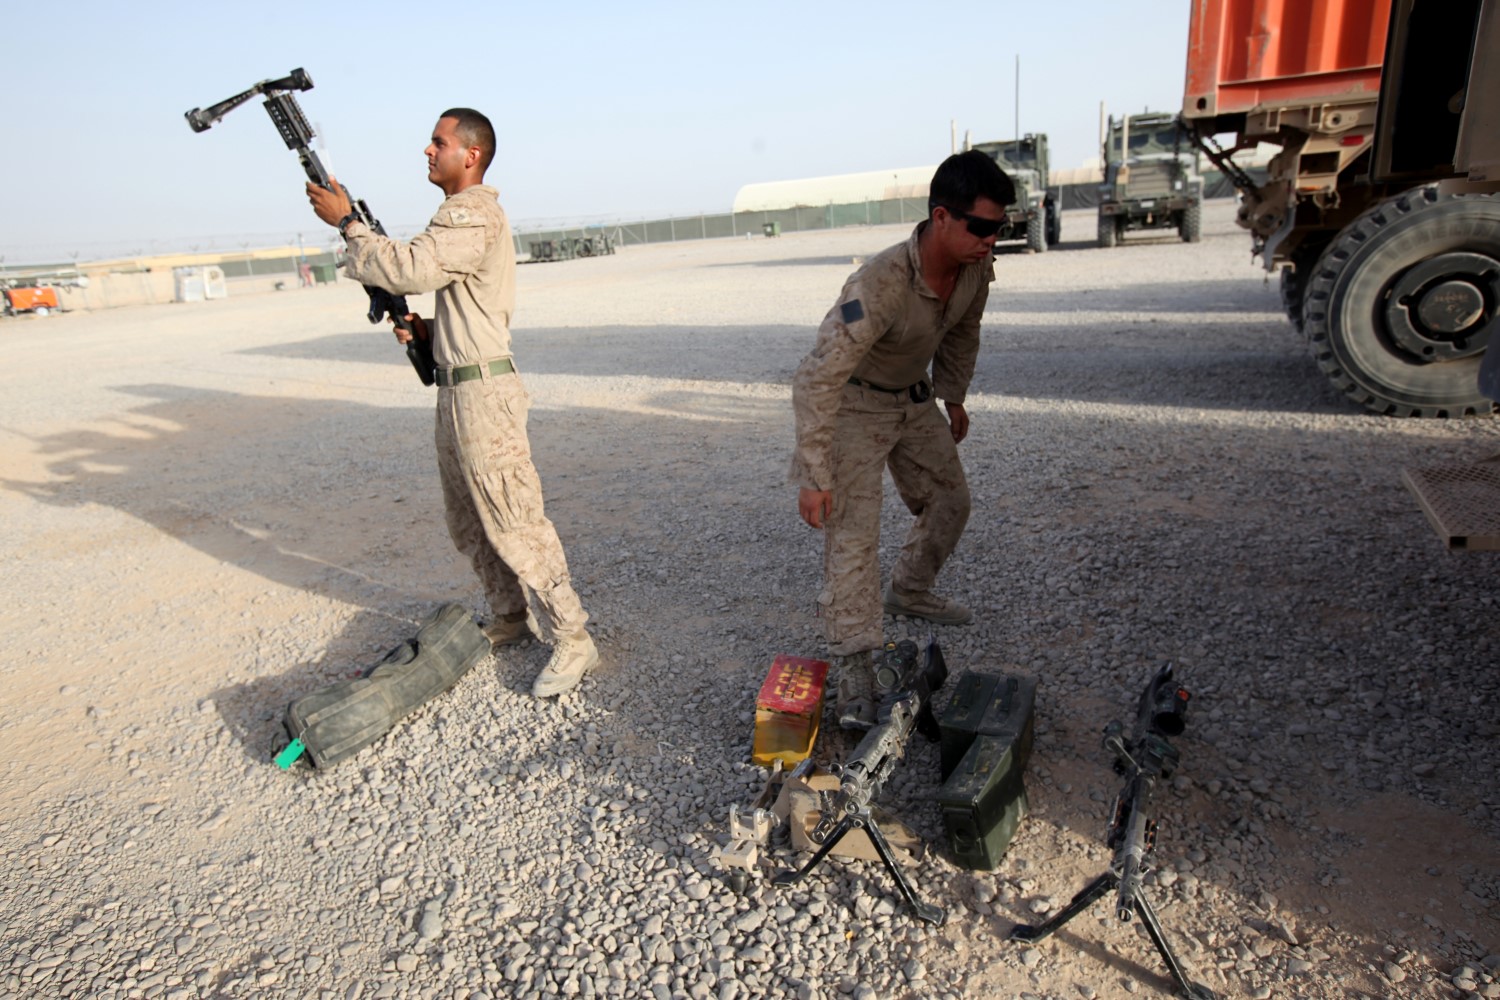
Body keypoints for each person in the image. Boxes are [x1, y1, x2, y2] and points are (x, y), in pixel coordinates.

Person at [305, 108, 598, 698]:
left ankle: (573, 637)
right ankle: (512, 616)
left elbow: (413, 267)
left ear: (471, 155)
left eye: (438, 142)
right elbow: (469, 307)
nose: (427, 150)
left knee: (514, 517)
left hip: (484, 395)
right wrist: (429, 334)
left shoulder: (471, 212)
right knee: (470, 518)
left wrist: (350, 227)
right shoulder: (456, 217)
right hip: (459, 384)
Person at [790, 150, 1014, 729]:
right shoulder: (879, 282)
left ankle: (910, 590)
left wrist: (953, 393)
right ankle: (855, 678)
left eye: (1000, 229)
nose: (991, 240)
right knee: (854, 538)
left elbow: (965, 329)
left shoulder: (974, 270)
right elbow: (818, 376)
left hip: (911, 400)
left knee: (952, 500)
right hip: (856, 406)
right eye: (981, 227)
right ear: (942, 217)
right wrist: (815, 474)